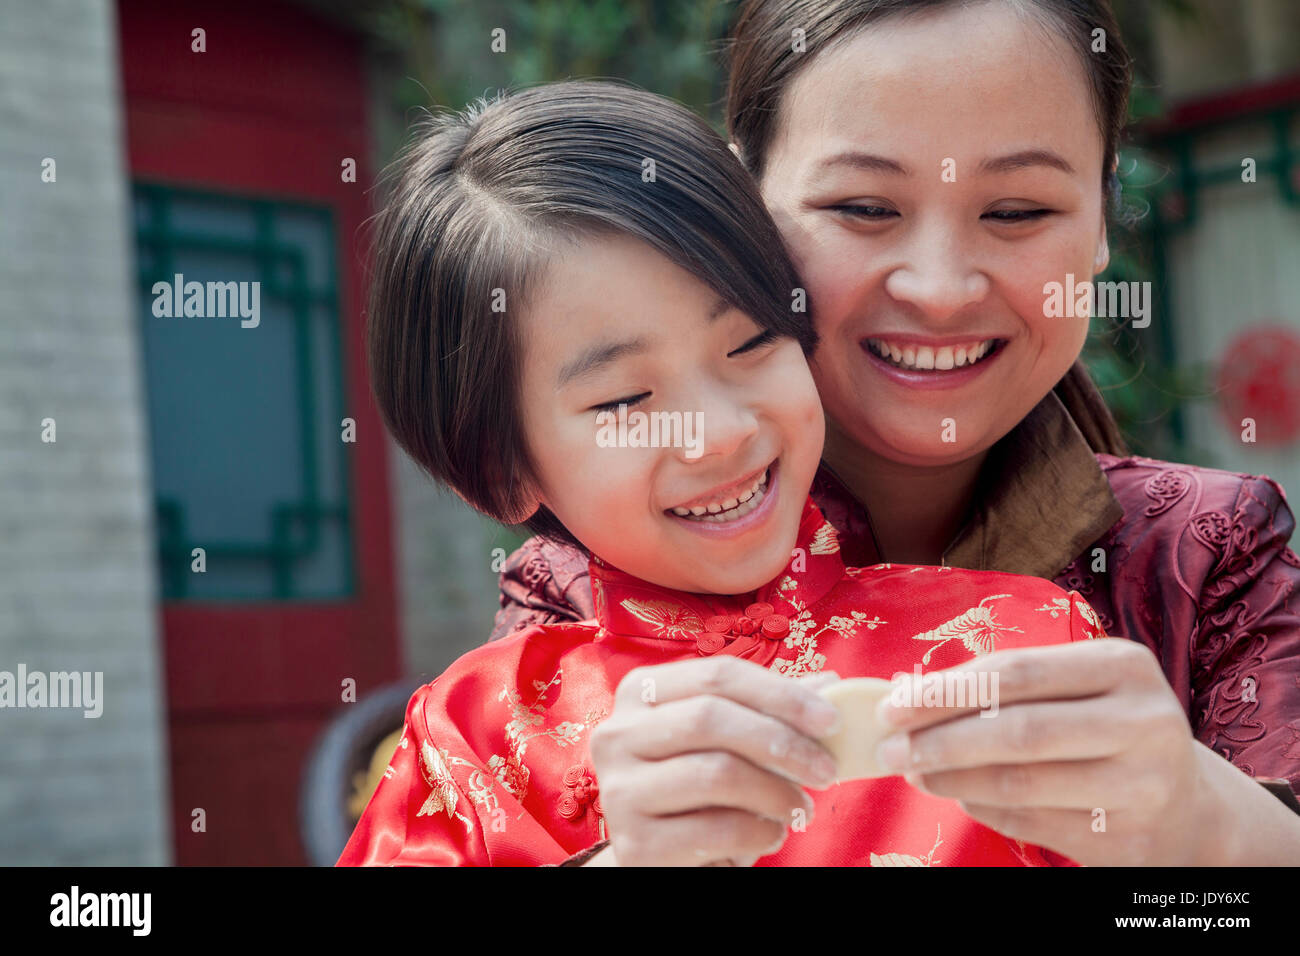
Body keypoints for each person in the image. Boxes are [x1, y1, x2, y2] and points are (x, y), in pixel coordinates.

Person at [491, 0, 1300, 864]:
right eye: (865, 207)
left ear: (1102, 219)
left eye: (1019, 211)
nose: (940, 288)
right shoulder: (586, 581)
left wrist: (1205, 823)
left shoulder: (1210, 553)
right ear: (743, 214)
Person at [336, 80, 1109, 867]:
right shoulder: (472, 735)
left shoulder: (1026, 646)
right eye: (624, 398)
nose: (718, 433)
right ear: (502, 474)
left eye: (750, 345)